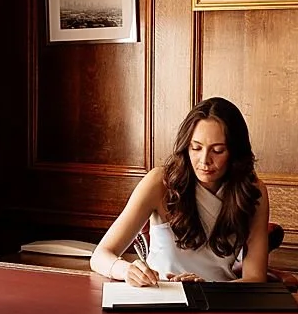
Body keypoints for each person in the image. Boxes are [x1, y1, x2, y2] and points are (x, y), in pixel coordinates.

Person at [91, 97, 272, 285]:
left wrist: (208, 290)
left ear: (235, 152)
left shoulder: (252, 191)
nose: (204, 160)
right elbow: (100, 256)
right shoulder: (160, 183)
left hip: (220, 301)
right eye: (196, 148)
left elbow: (255, 278)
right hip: (160, 295)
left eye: (217, 151)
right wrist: (127, 270)